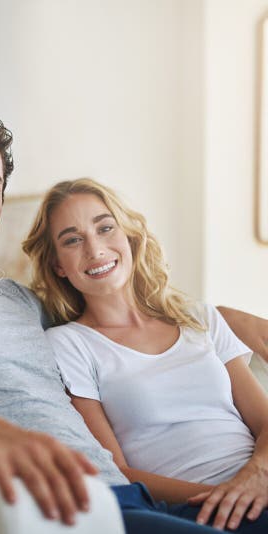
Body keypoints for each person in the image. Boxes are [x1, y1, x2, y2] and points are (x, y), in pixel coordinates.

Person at [0, 104, 268, 533]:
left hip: (129, 497)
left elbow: (110, 308)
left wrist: (225, 319)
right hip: (63, 502)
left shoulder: (21, 302)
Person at [22, 177, 268, 531]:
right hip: (196, 508)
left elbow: (263, 422)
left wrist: (255, 479)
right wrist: (223, 496)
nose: (95, 249)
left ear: (130, 236)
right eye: (73, 240)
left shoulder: (199, 316)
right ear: (58, 265)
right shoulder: (69, 344)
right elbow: (117, 470)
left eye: (105, 228)